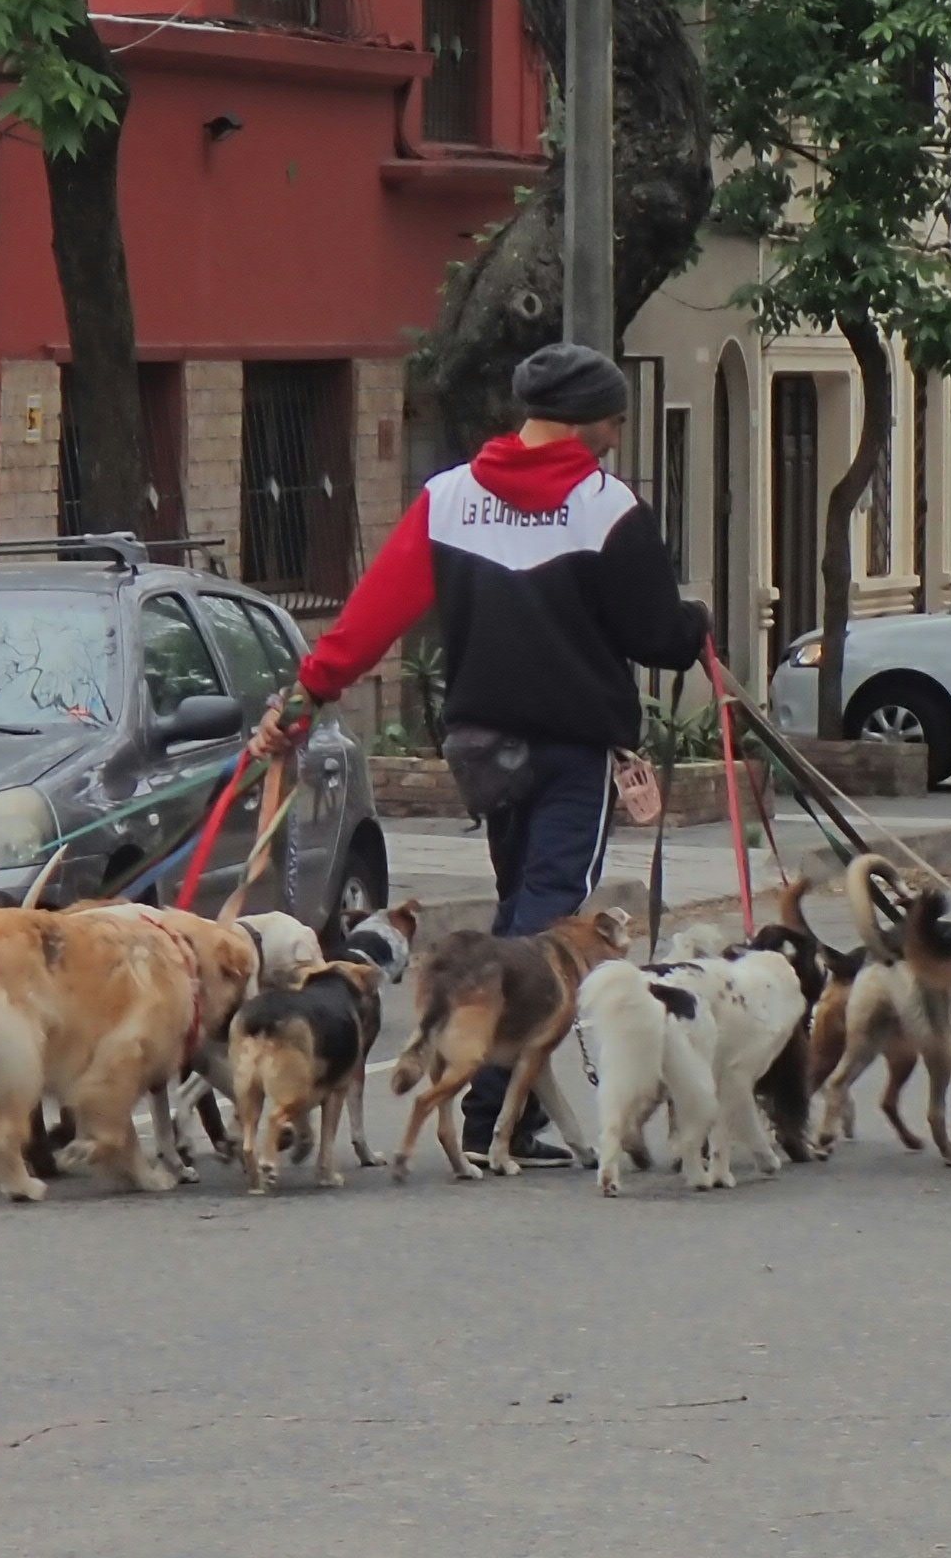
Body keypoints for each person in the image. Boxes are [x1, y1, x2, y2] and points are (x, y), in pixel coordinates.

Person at [257, 342, 709, 1166]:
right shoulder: (608, 509)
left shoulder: (449, 498)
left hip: (481, 747)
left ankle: (497, 1084)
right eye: (613, 418)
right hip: (573, 747)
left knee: (519, 907)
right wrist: (694, 628)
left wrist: (307, 695)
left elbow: (371, 615)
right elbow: (654, 633)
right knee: (548, 921)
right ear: (585, 421)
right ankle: (493, 1107)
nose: (616, 433)